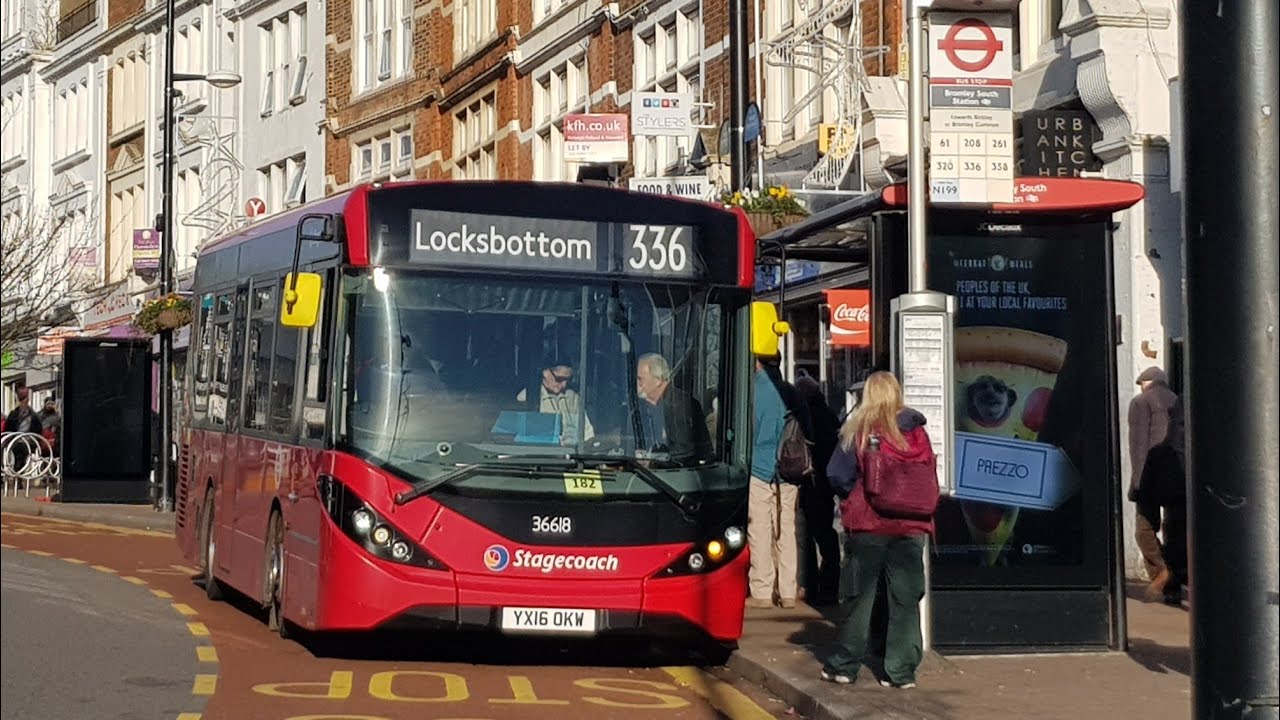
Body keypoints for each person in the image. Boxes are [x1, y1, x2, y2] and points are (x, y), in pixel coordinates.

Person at [821, 371, 934, 688]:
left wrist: (852, 495)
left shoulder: (859, 430)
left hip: (868, 526)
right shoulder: (917, 432)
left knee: (860, 599)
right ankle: (901, 672)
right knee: (905, 601)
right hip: (911, 528)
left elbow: (836, 475)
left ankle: (845, 666)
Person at [745, 356, 809, 609]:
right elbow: (808, 430)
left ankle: (761, 591)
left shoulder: (752, 392)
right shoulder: (792, 392)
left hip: (760, 468)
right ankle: (788, 591)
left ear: (757, 362)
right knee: (786, 530)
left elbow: (747, 431)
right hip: (789, 469)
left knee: (759, 529)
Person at [1127, 366, 1178, 598]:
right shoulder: (1177, 401)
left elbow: (1138, 447)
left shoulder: (1141, 402)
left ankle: (1161, 571)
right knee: (1173, 531)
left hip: (1149, 477)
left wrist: (1137, 483)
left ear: (1146, 382)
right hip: (1176, 478)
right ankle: (1173, 588)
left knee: (1143, 530)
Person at [795, 372, 841, 605]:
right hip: (826, 481)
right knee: (825, 534)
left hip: (812, 481)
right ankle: (829, 582)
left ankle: (812, 584)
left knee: (808, 534)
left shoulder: (805, 417)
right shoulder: (830, 416)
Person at [1139, 395, 1187, 604]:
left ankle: (1168, 577)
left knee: (1160, 528)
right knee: (1179, 530)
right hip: (1183, 476)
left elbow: (1137, 444)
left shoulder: (1146, 403)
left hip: (1163, 473)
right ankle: (1171, 577)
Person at [634, 353, 711, 459]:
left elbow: (683, 451)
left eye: (640, 379)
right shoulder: (638, 409)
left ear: (657, 380)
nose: (637, 383)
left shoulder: (679, 406)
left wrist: (653, 459)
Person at [516, 360, 595, 445]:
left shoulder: (573, 398)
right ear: (545, 373)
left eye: (568, 379)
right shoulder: (527, 398)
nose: (564, 384)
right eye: (559, 379)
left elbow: (588, 435)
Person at [4, 387, 43, 476]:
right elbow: (8, 427)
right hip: (16, 440)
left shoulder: (33, 415)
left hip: (28, 441)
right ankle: (18, 473)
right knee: (19, 453)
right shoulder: (14, 414)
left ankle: (18, 473)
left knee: (22, 454)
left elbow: (38, 429)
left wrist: (35, 440)